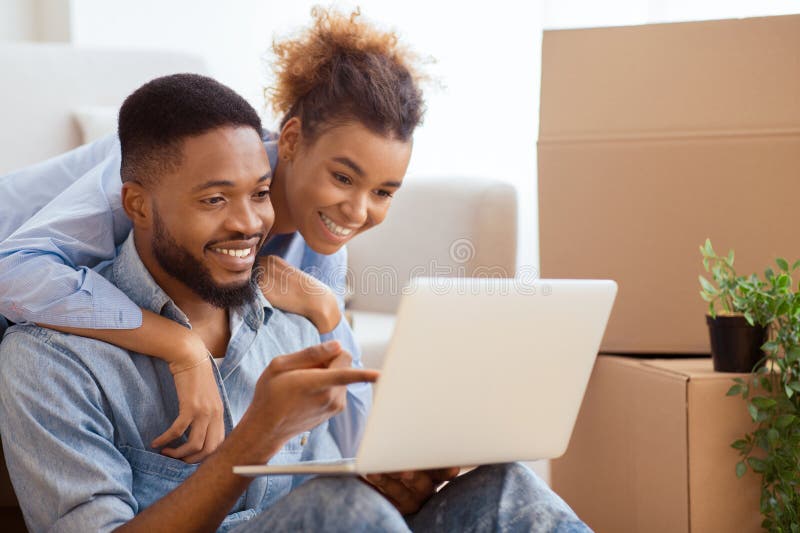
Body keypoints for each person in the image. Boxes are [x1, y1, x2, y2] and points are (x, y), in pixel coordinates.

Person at [0, 73, 589, 533]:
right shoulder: (49, 357)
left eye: (259, 194)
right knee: (340, 511)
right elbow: (16, 271)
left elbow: (336, 472)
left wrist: (392, 482)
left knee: (506, 490)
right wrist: (252, 436)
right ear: (137, 204)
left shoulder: (292, 314)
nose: (248, 222)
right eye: (214, 199)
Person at [0, 8, 420, 460]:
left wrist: (326, 311)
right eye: (342, 178)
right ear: (293, 140)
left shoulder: (319, 238)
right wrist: (182, 345)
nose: (356, 211)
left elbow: (353, 440)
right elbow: (14, 272)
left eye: (382, 191)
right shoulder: (177, 161)